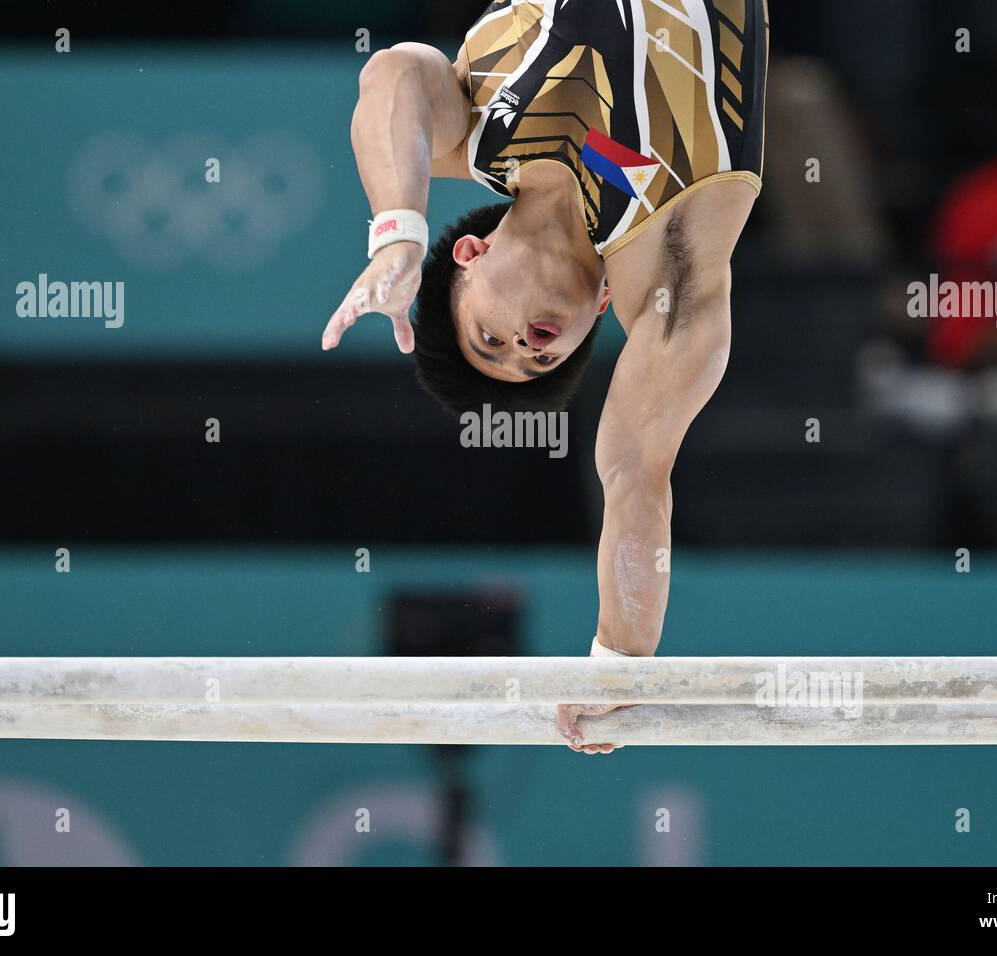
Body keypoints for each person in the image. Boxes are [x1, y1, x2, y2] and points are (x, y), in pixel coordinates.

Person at [324, 0, 769, 752]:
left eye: (489, 337)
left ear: (468, 255)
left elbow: (392, 73)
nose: (525, 346)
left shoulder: (472, 131)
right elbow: (633, 474)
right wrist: (617, 671)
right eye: (538, 360)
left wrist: (396, 232)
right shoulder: (666, 262)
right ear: (601, 313)